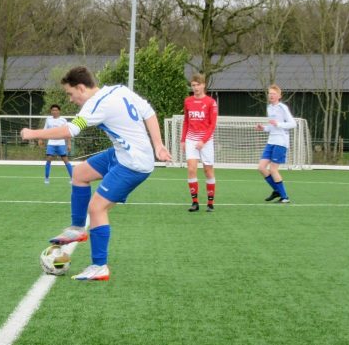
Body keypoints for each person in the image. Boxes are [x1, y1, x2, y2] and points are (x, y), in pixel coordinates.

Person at [20, 66, 172, 281]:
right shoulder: (119, 90)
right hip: (122, 154)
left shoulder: (95, 105)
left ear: (81, 88)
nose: (70, 100)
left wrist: (33, 133)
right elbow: (149, 112)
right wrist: (158, 145)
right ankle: (77, 228)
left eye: (70, 94)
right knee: (79, 174)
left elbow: (69, 130)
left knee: (97, 207)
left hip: (133, 164)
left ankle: (99, 266)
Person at [181, 73, 218, 212]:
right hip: (191, 139)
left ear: (203, 85)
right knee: (191, 168)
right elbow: (186, 121)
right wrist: (183, 140)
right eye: (193, 85)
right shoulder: (188, 101)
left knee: (208, 171)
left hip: (206, 141)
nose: (195, 87)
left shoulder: (210, 102)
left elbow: (212, 124)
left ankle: (210, 203)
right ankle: (195, 202)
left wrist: (204, 140)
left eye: (198, 85)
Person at [258, 84, 297, 204]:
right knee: (261, 167)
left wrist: (278, 124)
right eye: (269, 93)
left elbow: (293, 124)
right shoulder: (269, 108)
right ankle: (277, 191)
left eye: (274, 94)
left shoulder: (282, 108)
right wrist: (263, 128)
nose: (271, 95)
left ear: (279, 96)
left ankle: (285, 197)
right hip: (271, 141)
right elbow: (272, 127)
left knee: (273, 169)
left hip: (281, 142)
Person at [41, 104, 74, 184]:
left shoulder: (63, 120)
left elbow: (67, 132)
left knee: (66, 161)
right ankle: (46, 178)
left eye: (56, 110)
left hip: (61, 143)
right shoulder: (48, 119)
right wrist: (40, 139)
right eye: (53, 110)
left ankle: (73, 178)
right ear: (51, 111)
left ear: (59, 111)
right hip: (51, 143)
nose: (54, 112)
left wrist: (69, 144)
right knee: (48, 160)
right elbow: (44, 130)